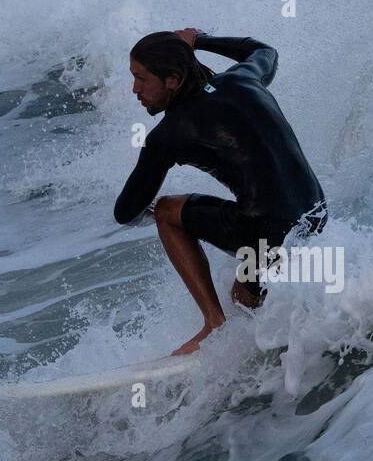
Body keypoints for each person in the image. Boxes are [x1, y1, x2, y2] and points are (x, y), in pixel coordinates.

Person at [115, 27, 326, 354]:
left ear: (172, 80)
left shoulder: (170, 135)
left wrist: (147, 201)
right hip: (317, 218)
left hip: (270, 236)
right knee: (255, 291)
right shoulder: (243, 79)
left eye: (142, 79)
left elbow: (125, 212)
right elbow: (264, 50)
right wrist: (200, 40)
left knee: (167, 211)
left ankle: (214, 324)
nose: (134, 89)